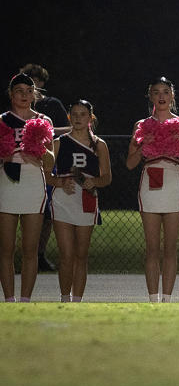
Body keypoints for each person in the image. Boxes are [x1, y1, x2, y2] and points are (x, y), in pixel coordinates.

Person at [126, 77, 179, 302]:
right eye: (156, 92)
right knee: (151, 247)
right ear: (150, 96)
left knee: (170, 246)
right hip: (149, 181)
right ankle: (152, 300)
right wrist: (142, 144)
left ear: (172, 96)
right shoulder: (141, 125)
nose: (161, 96)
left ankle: (167, 300)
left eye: (166, 92)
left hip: (173, 181)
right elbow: (130, 164)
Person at [48, 100, 112, 302]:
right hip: (63, 199)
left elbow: (107, 178)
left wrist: (94, 182)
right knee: (66, 254)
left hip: (86, 199)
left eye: (82, 114)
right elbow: (46, 174)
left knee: (81, 254)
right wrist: (59, 182)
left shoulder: (99, 145)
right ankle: (64, 298)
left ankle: (77, 301)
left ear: (90, 118)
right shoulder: (58, 142)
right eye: (74, 114)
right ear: (69, 117)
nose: (78, 118)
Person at [0, 73, 54, 301]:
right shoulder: (2, 120)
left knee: (30, 249)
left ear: (34, 94)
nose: (24, 95)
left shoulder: (44, 120)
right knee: (6, 249)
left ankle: (26, 300)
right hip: (7, 182)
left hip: (33, 182)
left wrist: (40, 151)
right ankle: (10, 300)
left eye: (28, 91)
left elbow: (51, 161)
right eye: (19, 91)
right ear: (11, 94)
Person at [20, 63, 69, 273]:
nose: (33, 82)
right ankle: (22, 255)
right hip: (21, 163)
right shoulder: (18, 104)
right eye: (28, 78)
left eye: (36, 79)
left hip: (46, 161)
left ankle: (39, 254)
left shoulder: (52, 104)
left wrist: (43, 129)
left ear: (42, 82)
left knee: (46, 212)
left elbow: (70, 127)